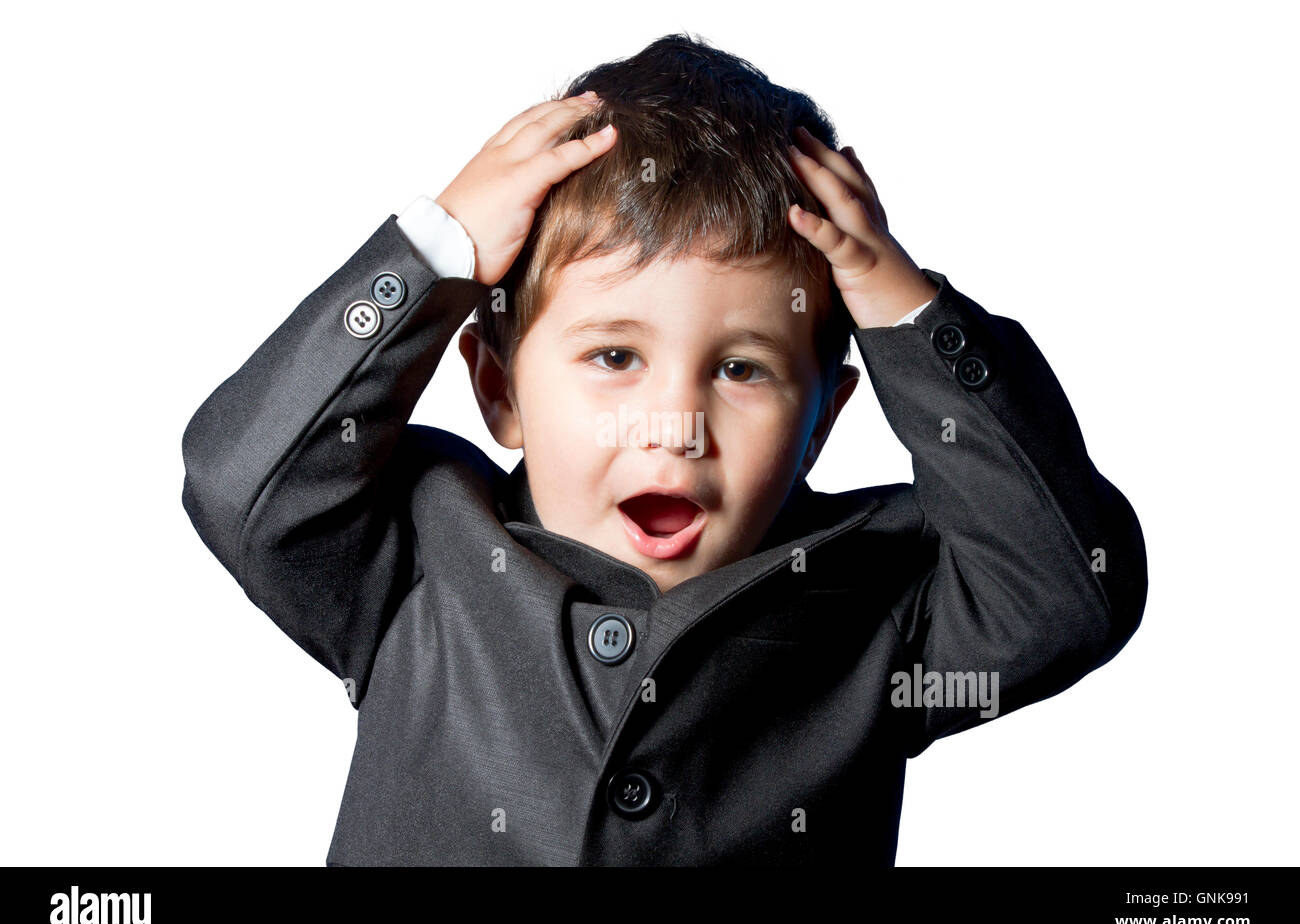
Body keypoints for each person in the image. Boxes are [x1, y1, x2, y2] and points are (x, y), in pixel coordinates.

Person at [181, 33, 1147, 865]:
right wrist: (434, 257)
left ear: (823, 420)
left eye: (741, 370)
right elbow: (242, 481)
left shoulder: (882, 607)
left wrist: (910, 317)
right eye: (614, 355)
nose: (673, 423)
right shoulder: (413, 561)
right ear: (499, 389)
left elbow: (1073, 589)